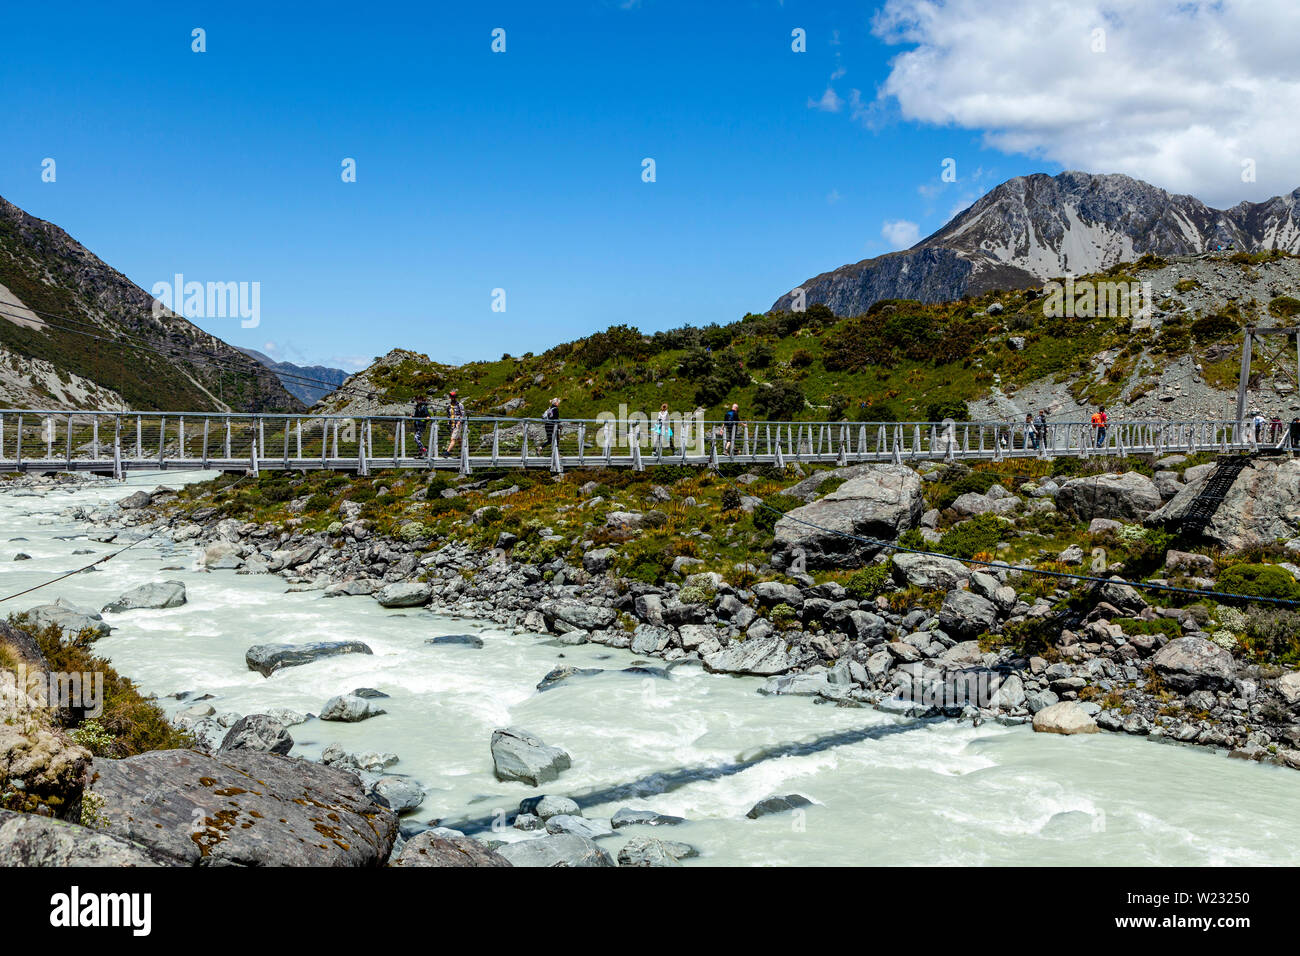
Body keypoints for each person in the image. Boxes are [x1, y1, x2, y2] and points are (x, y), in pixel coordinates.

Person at [443, 390, 467, 457]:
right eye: (451, 397)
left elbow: (463, 414)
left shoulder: (460, 405)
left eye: (454, 397)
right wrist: (448, 424)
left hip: (457, 424)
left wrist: (459, 422)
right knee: (459, 439)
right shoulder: (448, 406)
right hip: (452, 425)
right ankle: (463, 452)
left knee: (453, 439)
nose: (453, 398)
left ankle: (447, 452)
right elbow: (448, 416)